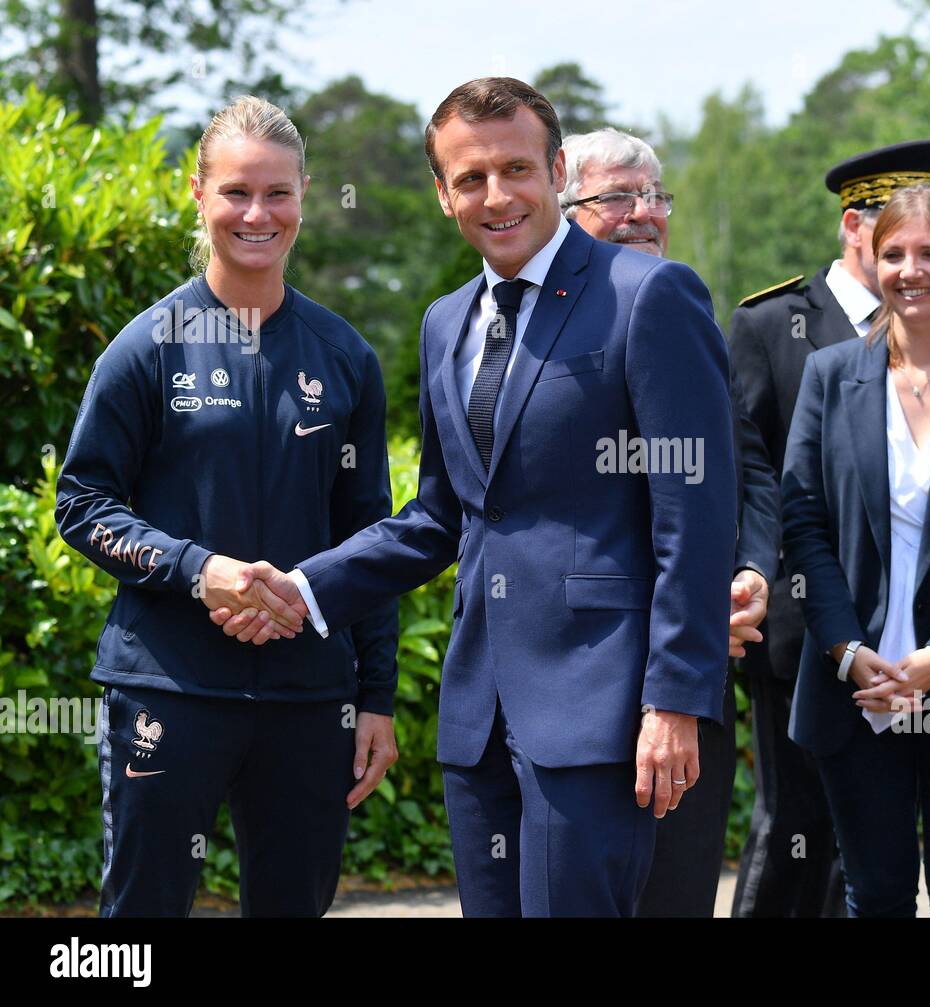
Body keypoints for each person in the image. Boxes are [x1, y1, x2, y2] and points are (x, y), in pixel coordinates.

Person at [215, 79, 737, 917]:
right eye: (469, 178)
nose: (496, 196)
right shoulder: (443, 321)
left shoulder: (648, 297)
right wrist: (305, 589)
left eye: (515, 169)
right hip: (478, 718)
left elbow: (697, 517)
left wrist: (675, 698)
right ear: (441, 193)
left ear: (557, 169)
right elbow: (440, 514)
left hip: (600, 712)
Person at [54, 95, 398, 917]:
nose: (257, 213)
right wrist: (197, 570)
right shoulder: (147, 345)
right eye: (237, 191)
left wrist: (376, 695)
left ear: (305, 196)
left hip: (312, 695)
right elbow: (82, 503)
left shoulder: (345, 356)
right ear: (199, 192)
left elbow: (370, 536)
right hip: (169, 688)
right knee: (140, 916)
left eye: (277, 192)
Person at [727, 139, 930, 917]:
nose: (910, 270)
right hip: (854, 691)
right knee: (873, 893)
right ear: (868, 253)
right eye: (893, 253)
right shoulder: (830, 374)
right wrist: (850, 652)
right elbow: (802, 520)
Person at [560, 126, 781, 917]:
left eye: (655, 197)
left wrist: (751, 570)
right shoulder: (538, 337)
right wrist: (676, 613)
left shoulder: (686, 317)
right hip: (583, 686)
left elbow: (748, 470)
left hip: (696, 687)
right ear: (563, 209)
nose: (645, 213)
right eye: (618, 196)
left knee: (678, 896)